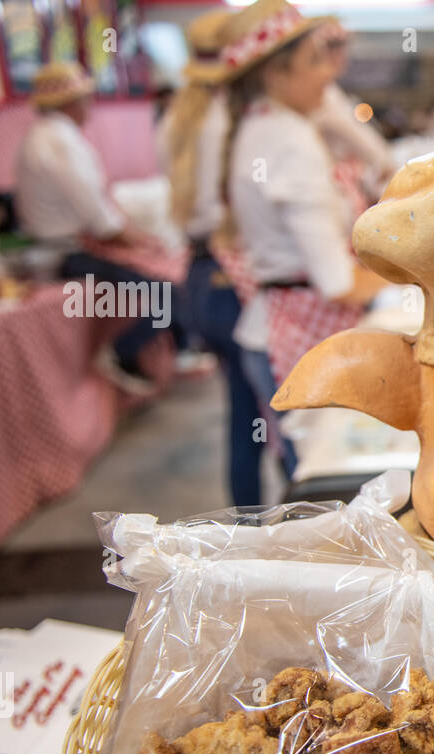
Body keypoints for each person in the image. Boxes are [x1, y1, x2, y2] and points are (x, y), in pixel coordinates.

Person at [218, 0, 386, 481]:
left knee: (306, 476)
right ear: (276, 74)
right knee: (324, 489)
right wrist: (413, 277)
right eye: (315, 62)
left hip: (279, 329)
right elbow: (335, 281)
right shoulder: (288, 138)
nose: (327, 78)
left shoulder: (265, 128)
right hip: (298, 336)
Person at [15, 61, 175, 394]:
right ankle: (123, 352)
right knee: (166, 292)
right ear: (71, 103)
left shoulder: (43, 136)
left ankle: (175, 348)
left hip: (62, 246)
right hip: (67, 253)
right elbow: (97, 217)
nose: (89, 106)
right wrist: (140, 241)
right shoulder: (60, 142)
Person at [158, 10, 265, 506]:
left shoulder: (177, 118)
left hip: (200, 274)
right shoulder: (231, 121)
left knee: (244, 419)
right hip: (235, 275)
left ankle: (249, 530)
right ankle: (290, 533)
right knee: (276, 420)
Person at [312, 20, 395, 202]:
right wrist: (386, 163)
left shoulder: (330, 90)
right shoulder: (324, 94)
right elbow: (359, 137)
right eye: (342, 50)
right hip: (335, 188)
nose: (345, 57)